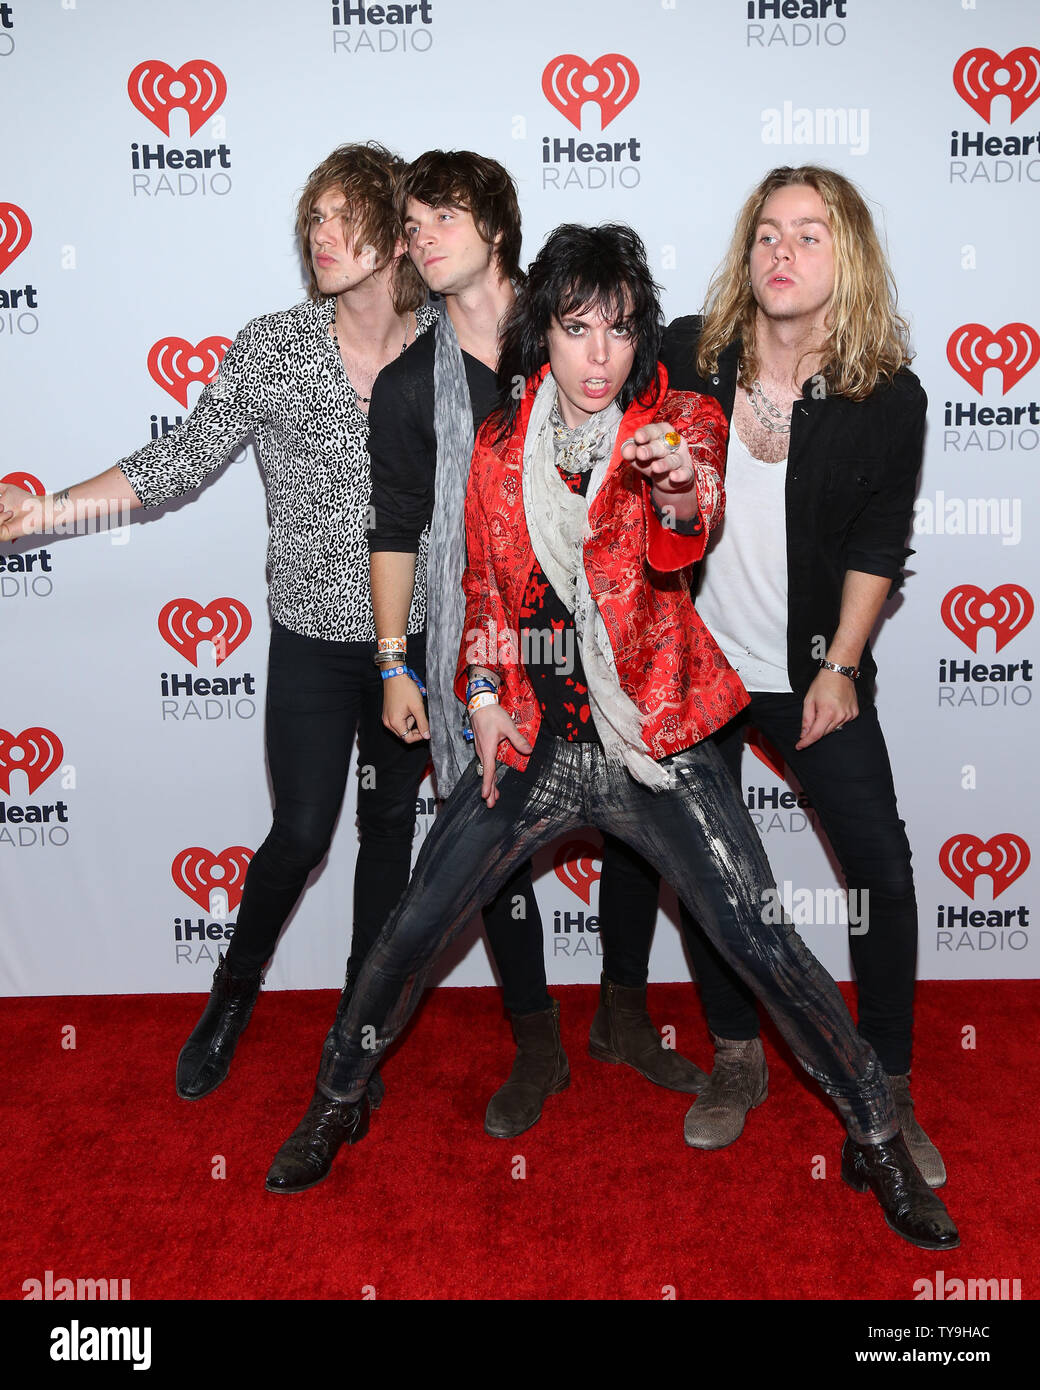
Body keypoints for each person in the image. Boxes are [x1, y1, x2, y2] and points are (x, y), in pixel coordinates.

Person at [264, 222, 958, 1253]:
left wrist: (672, 474)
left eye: (621, 330)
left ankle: (872, 1131)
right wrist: (487, 690)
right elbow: (485, 589)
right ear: (541, 328)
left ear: (643, 340)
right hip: (537, 743)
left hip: (656, 739)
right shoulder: (500, 446)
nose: (599, 354)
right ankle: (336, 1095)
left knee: (761, 938)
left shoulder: (676, 419)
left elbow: (693, 512)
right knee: (413, 924)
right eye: (577, 327)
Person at [0, 143, 434, 1107]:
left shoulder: (450, 346)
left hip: (418, 649)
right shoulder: (273, 346)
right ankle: (233, 992)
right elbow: (176, 468)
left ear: (399, 234)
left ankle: (355, 1038)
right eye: (313, 219)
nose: (323, 235)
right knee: (303, 832)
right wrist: (42, 514)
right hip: (313, 646)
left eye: (345, 216)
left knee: (391, 831)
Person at [366, 151, 701, 1140]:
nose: (423, 237)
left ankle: (625, 1014)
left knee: (637, 826)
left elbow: (668, 437)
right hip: (495, 645)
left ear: (498, 228)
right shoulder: (408, 386)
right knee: (494, 845)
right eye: (412, 223)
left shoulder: (576, 316)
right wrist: (394, 657)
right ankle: (534, 1039)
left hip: (614, 635)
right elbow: (395, 529)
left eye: (445, 216)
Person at [659, 166, 945, 1185]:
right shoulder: (686, 356)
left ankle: (886, 1084)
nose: (781, 254)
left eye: (808, 236)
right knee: (708, 871)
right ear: (746, 256)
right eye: (766, 235)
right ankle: (735, 1053)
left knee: (879, 867)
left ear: (846, 257)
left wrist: (839, 664)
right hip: (691, 664)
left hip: (807, 668)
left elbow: (877, 545)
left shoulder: (885, 396)